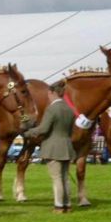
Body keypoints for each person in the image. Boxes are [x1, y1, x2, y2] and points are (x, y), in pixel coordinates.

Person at [23, 82, 75, 212]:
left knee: (56, 178)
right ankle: (67, 205)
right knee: (65, 177)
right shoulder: (69, 109)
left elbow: (43, 129)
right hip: (67, 146)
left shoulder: (52, 109)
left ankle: (58, 206)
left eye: (48, 94)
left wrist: (27, 132)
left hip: (53, 147)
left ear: (52, 93)